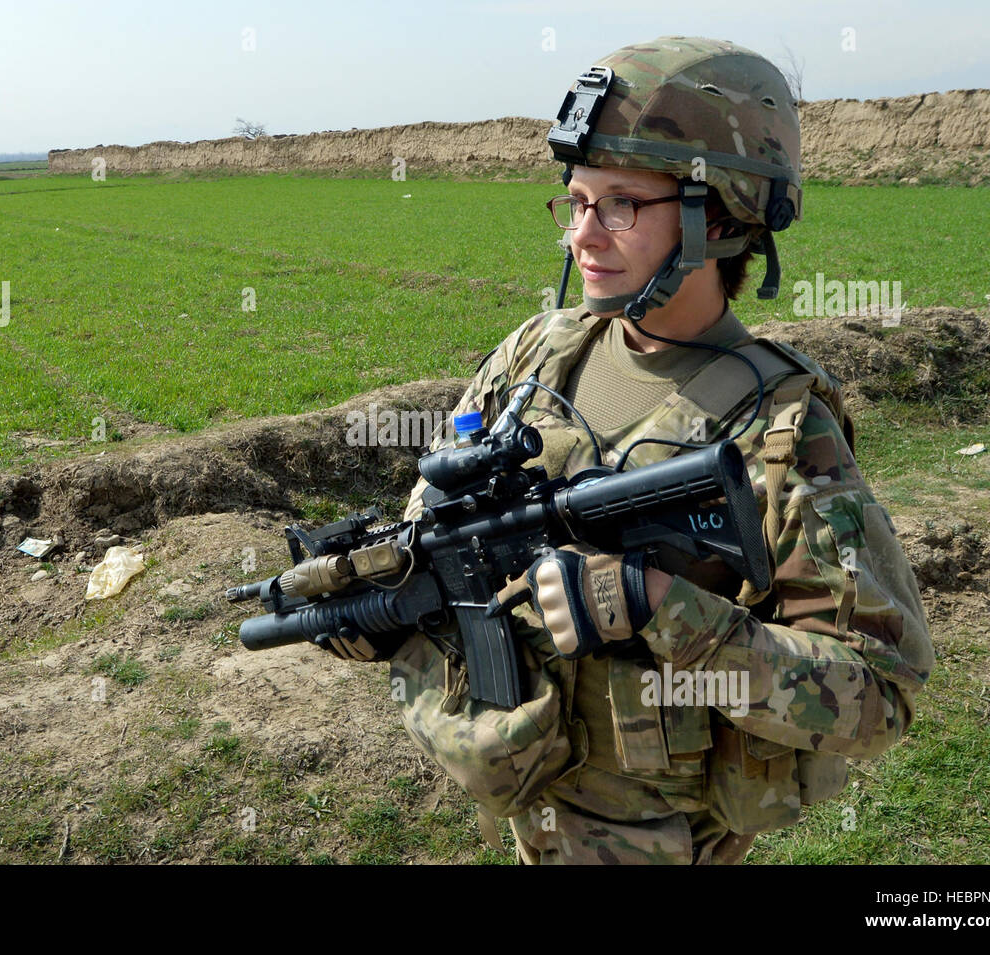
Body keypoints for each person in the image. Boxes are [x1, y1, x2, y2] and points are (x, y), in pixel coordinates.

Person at [332, 36, 934, 864]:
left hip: (668, 839)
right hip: (536, 805)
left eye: (620, 204)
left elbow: (879, 697)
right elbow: (430, 531)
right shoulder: (534, 356)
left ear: (717, 215)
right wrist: (380, 595)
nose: (583, 236)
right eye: (574, 202)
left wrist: (662, 607)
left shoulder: (783, 427)